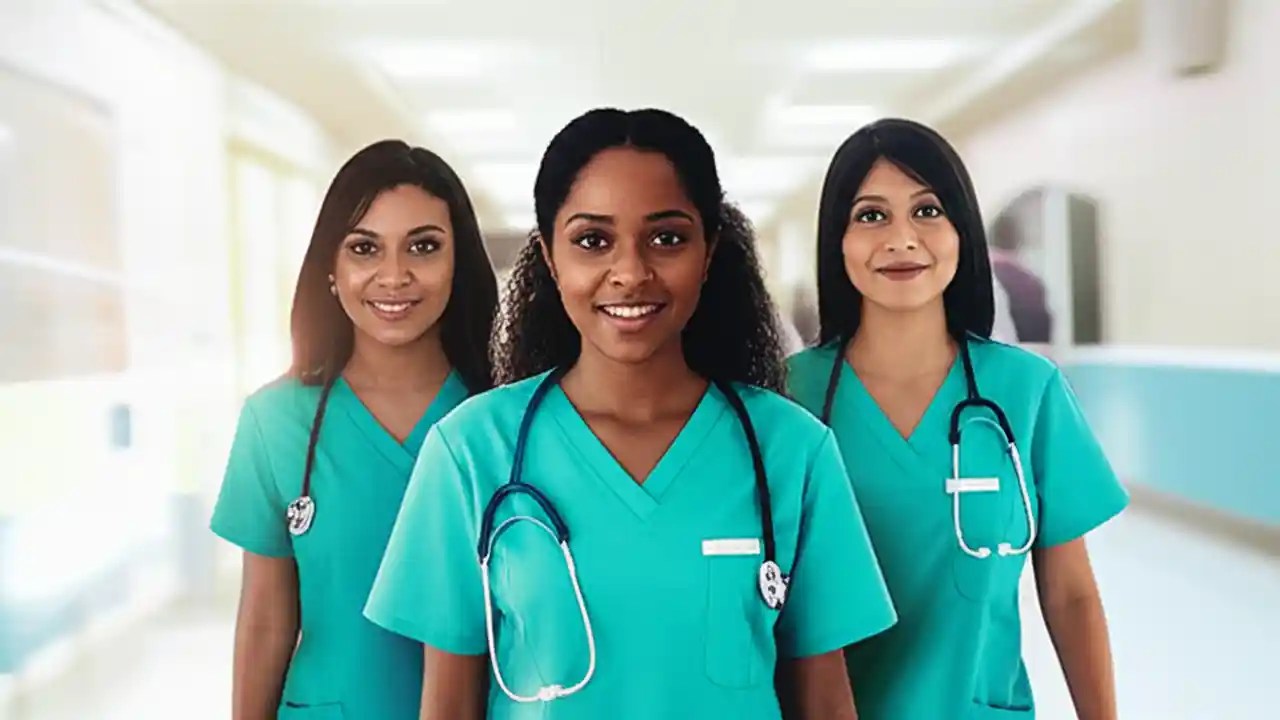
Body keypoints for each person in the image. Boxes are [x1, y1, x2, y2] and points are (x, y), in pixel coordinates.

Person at [365, 108, 896, 720]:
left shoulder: (793, 450)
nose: (630, 272)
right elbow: (448, 706)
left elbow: (826, 702)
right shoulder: (470, 451)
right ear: (550, 256)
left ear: (709, 250)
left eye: (667, 238)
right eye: (593, 241)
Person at [786, 118, 1128, 719]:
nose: (900, 238)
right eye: (870, 216)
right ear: (837, 239)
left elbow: (1070, 593)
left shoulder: (1025, 391)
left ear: (961, 231)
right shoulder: (789, 397)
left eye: (927, 211)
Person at [209, 139, 498, 719]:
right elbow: (267, 617)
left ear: (458, 264)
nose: (395, 276)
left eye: (423, 247)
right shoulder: (275, 422)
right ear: (332, 271)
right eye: (365, 248)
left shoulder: (506, 422)